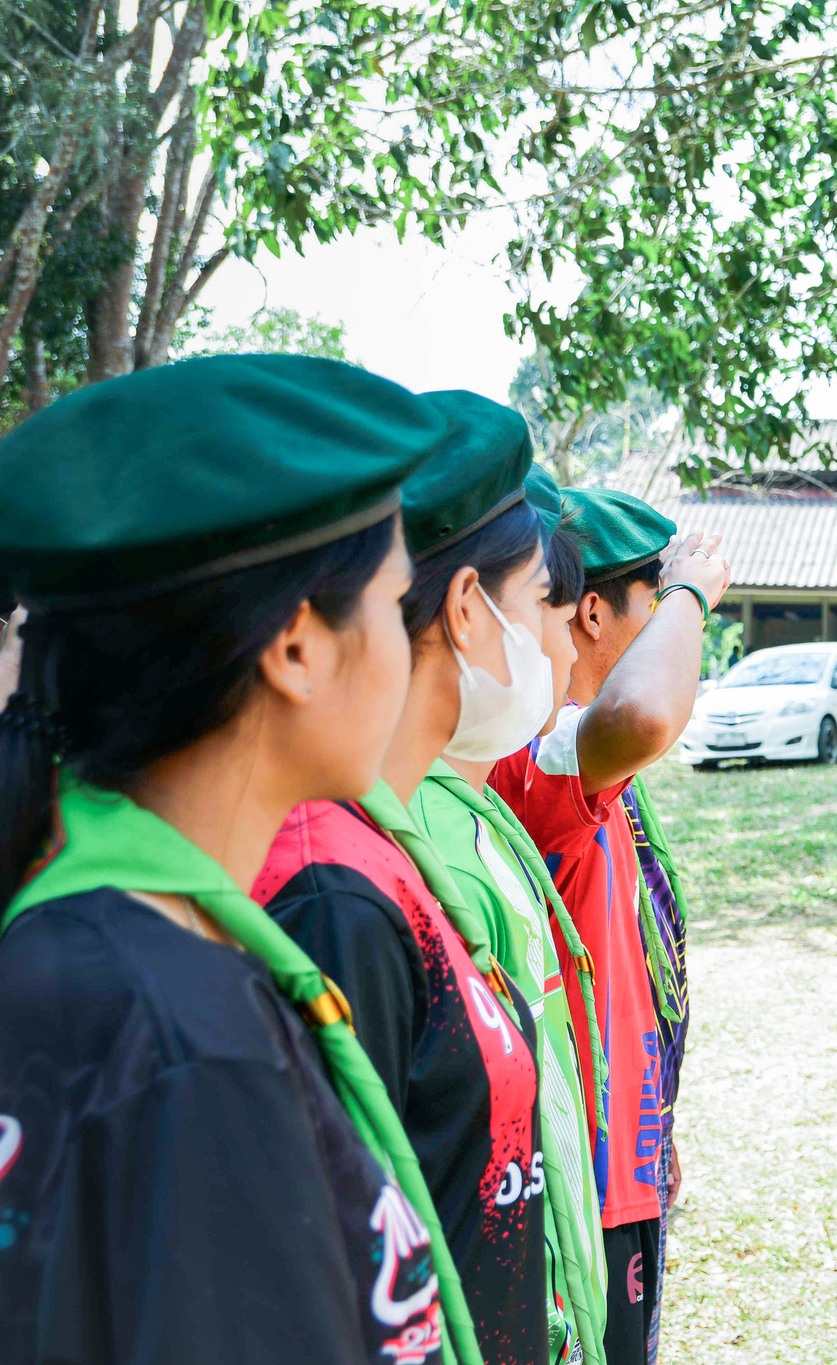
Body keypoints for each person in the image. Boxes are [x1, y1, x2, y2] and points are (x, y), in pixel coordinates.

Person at [0, 355, 458, 1364]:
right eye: (394, 606)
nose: (408, 646)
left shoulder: (79, 942)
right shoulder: (192, 1044)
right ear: (296, 648)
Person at [256, 391, 553, 1365]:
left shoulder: (393, 849)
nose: (548, 641)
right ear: (466, 608)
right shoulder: (333, 895)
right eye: (537, 602)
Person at [489, 487, 729, 1365]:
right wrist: (691, 590)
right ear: (592, 612)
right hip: (582, 1170)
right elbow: (644, 715)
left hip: (626, 1146)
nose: (674, 632)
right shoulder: (541, 752)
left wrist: (656, 1123)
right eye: (654, 605)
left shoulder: (602, 774)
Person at [411, 466, 611, 1365]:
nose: (565, 653)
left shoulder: (480, 812)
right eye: (546, 610)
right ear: (466, 609)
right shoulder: (422, 842)